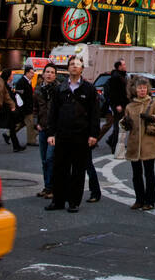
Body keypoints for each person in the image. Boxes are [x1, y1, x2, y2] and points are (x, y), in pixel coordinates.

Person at [45, 55, 100, 212]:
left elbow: (94, 114)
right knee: (59, 168)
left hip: (81, 135)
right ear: (68, 68)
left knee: (78, 170)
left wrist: (93, 135)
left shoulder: (89, 89)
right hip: (62, 134)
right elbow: (53, 113)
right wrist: (51, 133)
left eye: (77, 64)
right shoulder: (60, 88)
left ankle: (74, 201)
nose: (74, 66)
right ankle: (58, 200)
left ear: (82, 68)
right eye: (71, 64)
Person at [122, 75, 155, 210]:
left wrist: (152, 117)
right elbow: (124, 123)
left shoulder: (153, 104)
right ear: (134, 90)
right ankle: (139, 199)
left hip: (148, 143)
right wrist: (125, 123)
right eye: (139, 88)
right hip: (134, 144)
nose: (142, 90)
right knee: (136, 174)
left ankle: (150, 201)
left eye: (144, 88)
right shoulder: (130, 106)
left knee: (149, 173)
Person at [33, 64, 59, 198]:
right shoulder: (38, 89)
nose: (49, 74)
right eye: (47, 72)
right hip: (42, 127)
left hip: (54, 130)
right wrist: (36, 123)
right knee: (44, 159)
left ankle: (53, 188)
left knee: (50, 158)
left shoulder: (59, 89)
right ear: (43, 74)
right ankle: (47, 187)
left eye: (52, 72)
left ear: (55, 75)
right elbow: (35, 108)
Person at [105, 59, 130, 150]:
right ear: (119, 67)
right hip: (119, 105)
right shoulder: (116, 77)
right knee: (118, 125)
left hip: (123, 104)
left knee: (120, 125)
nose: (125, 66)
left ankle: (112, 140)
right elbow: (114, 93)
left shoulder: (122, 76)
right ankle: (114, 144)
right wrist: (117, 105)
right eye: (123, 64)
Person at [11, 65, 36, 150]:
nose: (33, 75)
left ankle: (8, 134)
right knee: (30, 124)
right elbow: (20, 96)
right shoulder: (22, 82)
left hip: (27, 106)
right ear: (27, 73)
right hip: (25, 107)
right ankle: (31, 140)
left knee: (22, 123)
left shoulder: (28, 81)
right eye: (32, 73)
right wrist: (22, 107)